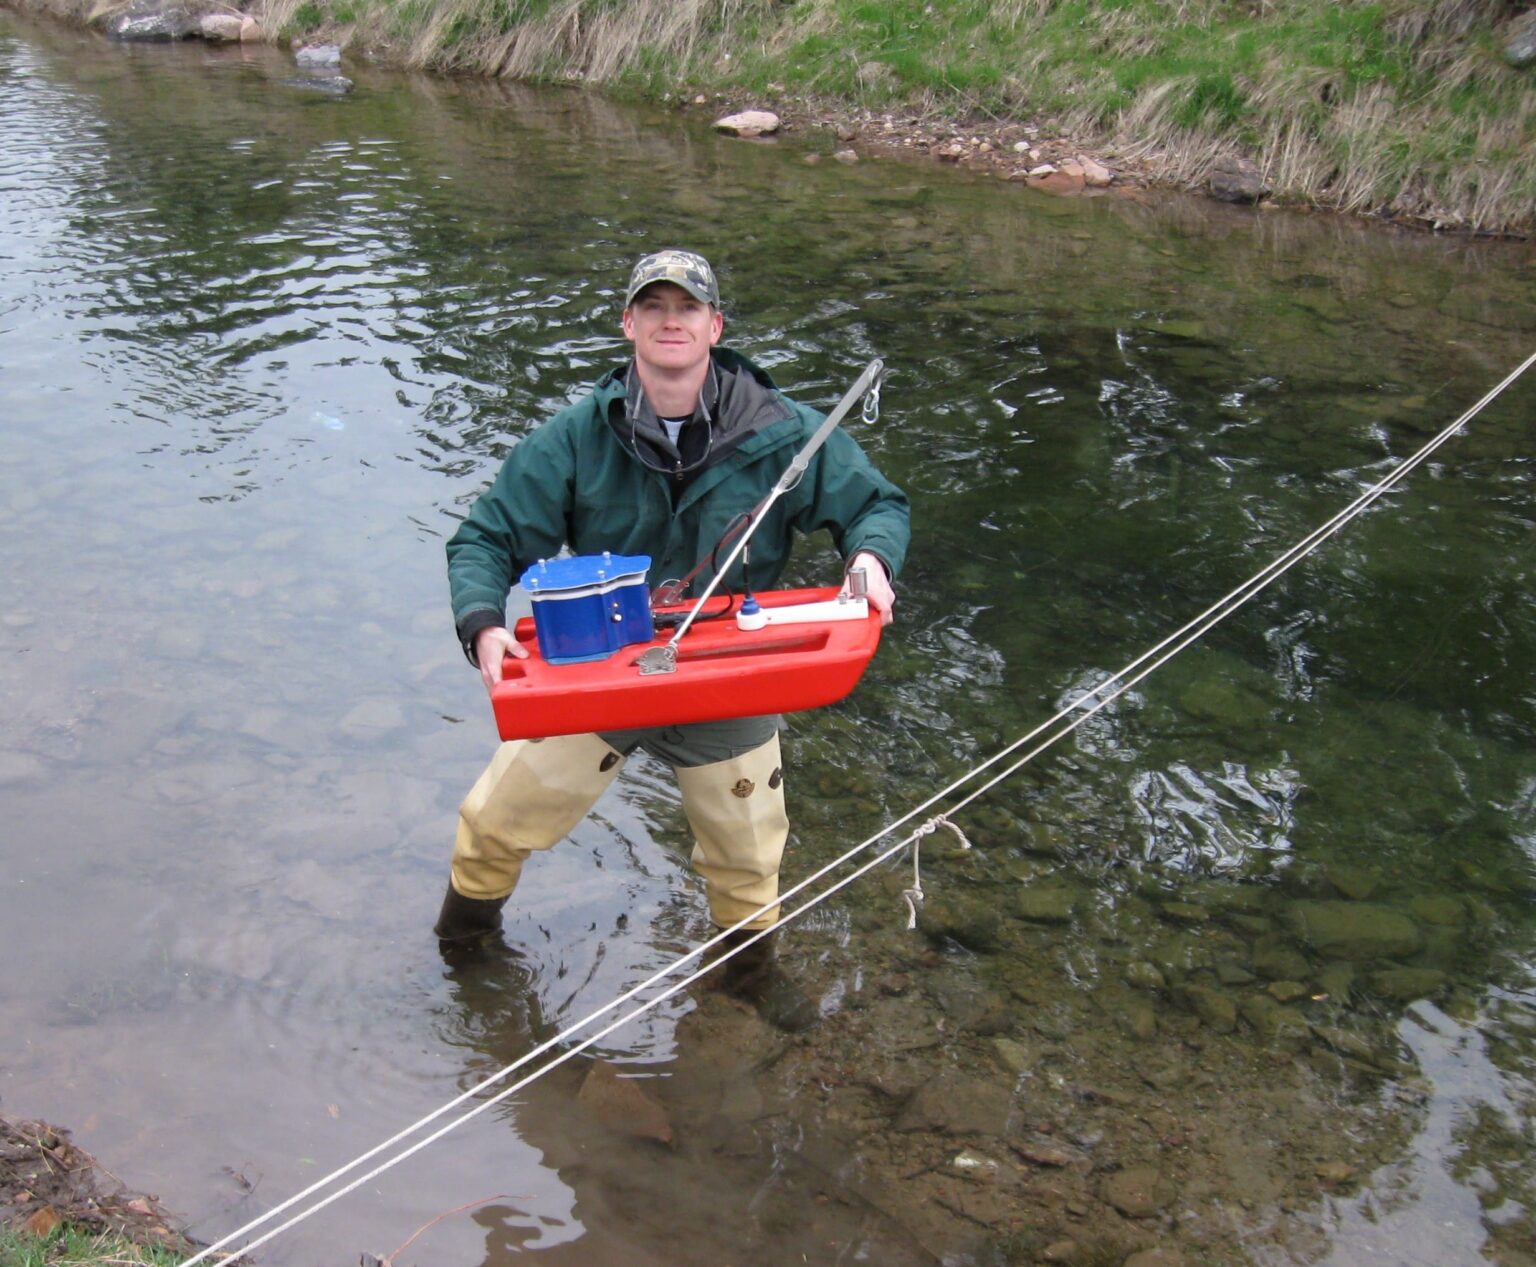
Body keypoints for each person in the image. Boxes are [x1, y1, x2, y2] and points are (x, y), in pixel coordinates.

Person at [436, 249, 910, 1030]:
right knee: (493, 821)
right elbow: (483, 540)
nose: (669, 322)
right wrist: (484, 622)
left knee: (749, 860)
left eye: (685, 309)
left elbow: (878, 505)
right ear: (629, 325)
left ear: (713, 328)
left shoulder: (784, 431)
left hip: (729, 673)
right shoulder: (574, 438)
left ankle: (748, 979)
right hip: (603, 667)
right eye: (652, 308)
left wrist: (870, 559)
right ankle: (466, 951)